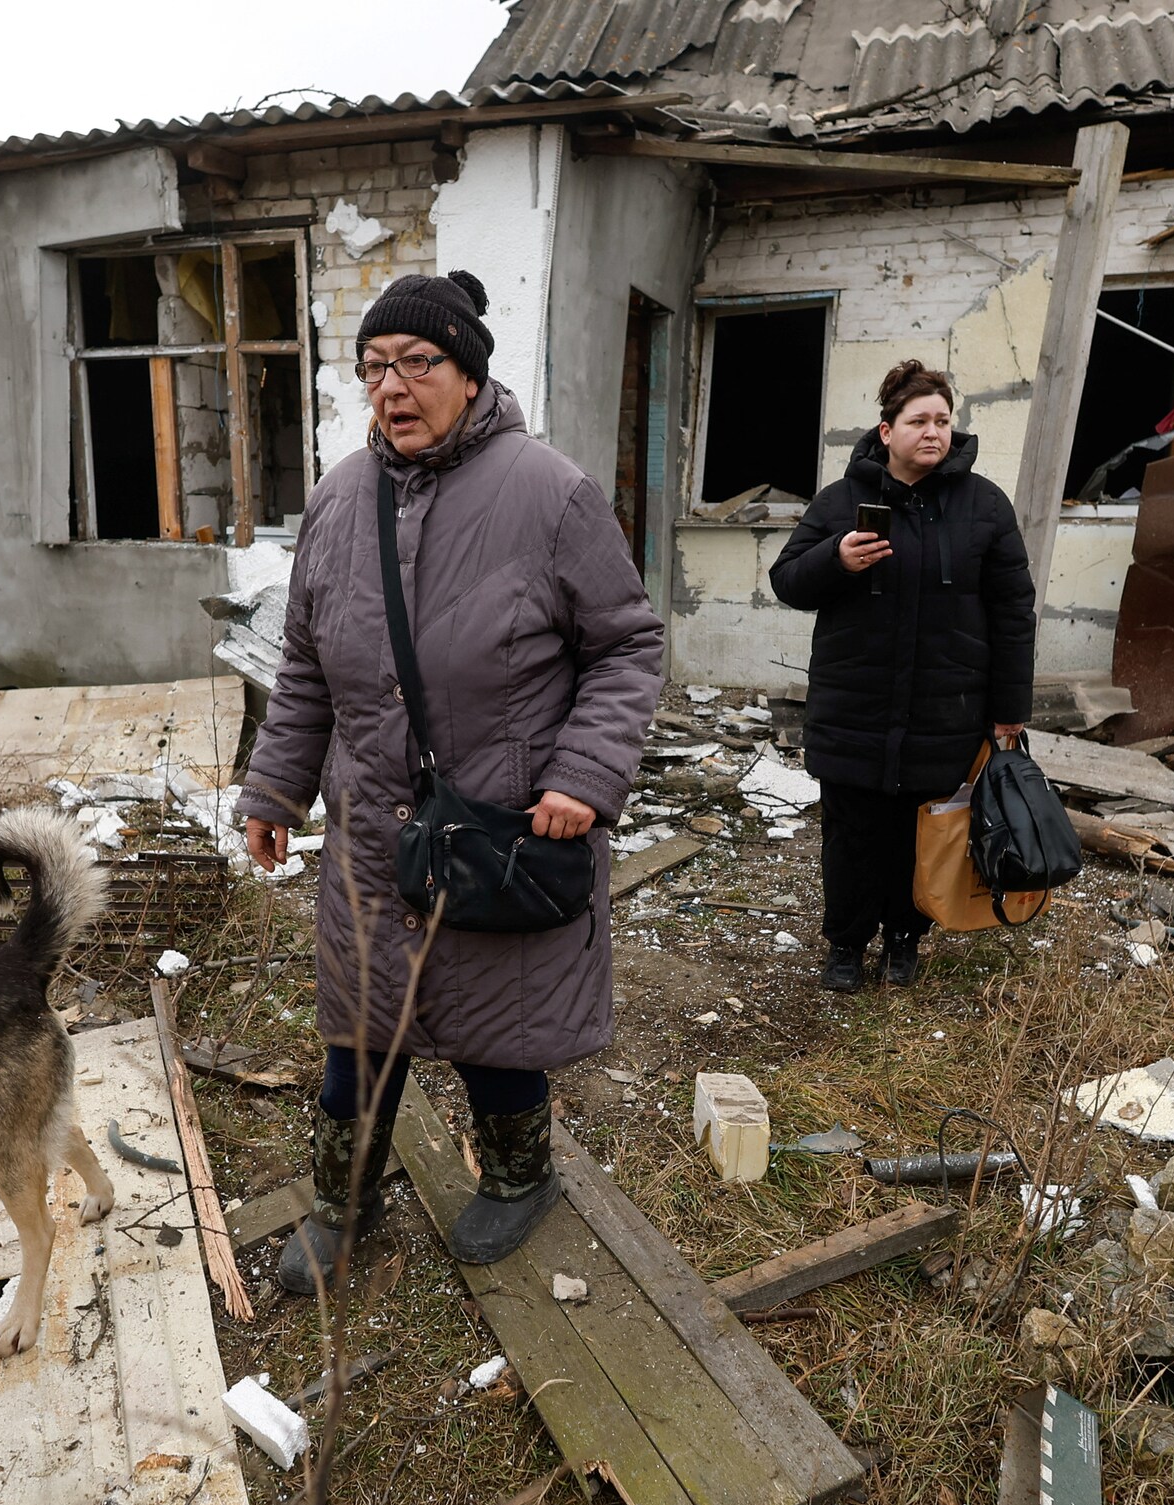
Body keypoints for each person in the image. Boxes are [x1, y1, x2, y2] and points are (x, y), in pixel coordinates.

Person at [237, 270, 664, 1294]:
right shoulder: (338, 499)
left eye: (418, 363)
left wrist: (583, 774)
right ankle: (344, 1203)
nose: (393, 386)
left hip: (499, 825)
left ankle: (519, 1178)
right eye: (374, 367)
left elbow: (625, 647)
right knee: (356, 1026)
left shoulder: (550, 493)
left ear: (468, 374)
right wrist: (272, 791)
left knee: (491, 1022)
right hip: (369, 833)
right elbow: (304, 666)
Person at [768, 359, 1037, 994]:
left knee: (926, 832)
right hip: (854, 706)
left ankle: (905, 941)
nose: (934, 432)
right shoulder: (841, 502)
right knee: (852, 833)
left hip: (944, 709)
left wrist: (1009, 706)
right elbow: (787, 580)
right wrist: (835, 559)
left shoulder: (984, 506)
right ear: (886, 431)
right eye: (919, 420)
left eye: (944, 420)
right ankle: (844, 944)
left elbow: (1013, 611)